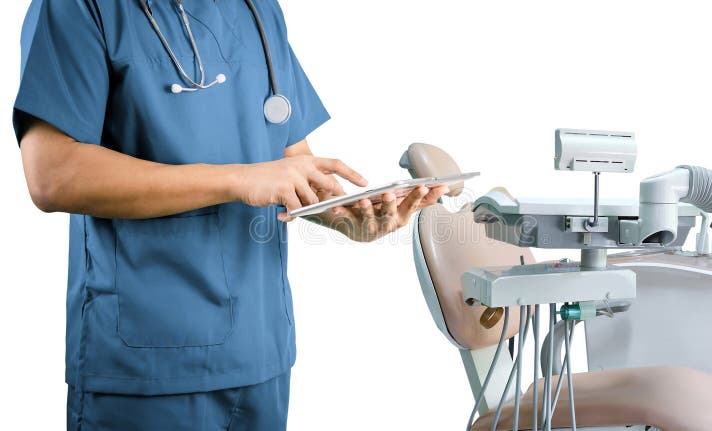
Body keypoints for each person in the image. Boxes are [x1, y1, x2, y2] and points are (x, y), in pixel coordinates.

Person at [13, 1, 448, 429]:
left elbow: (285, 157)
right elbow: (53, 175)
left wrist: (343, 216)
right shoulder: (79, 7)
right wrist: (238, 179)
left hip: (261, 355)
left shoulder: (257, 9)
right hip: (148, 364)